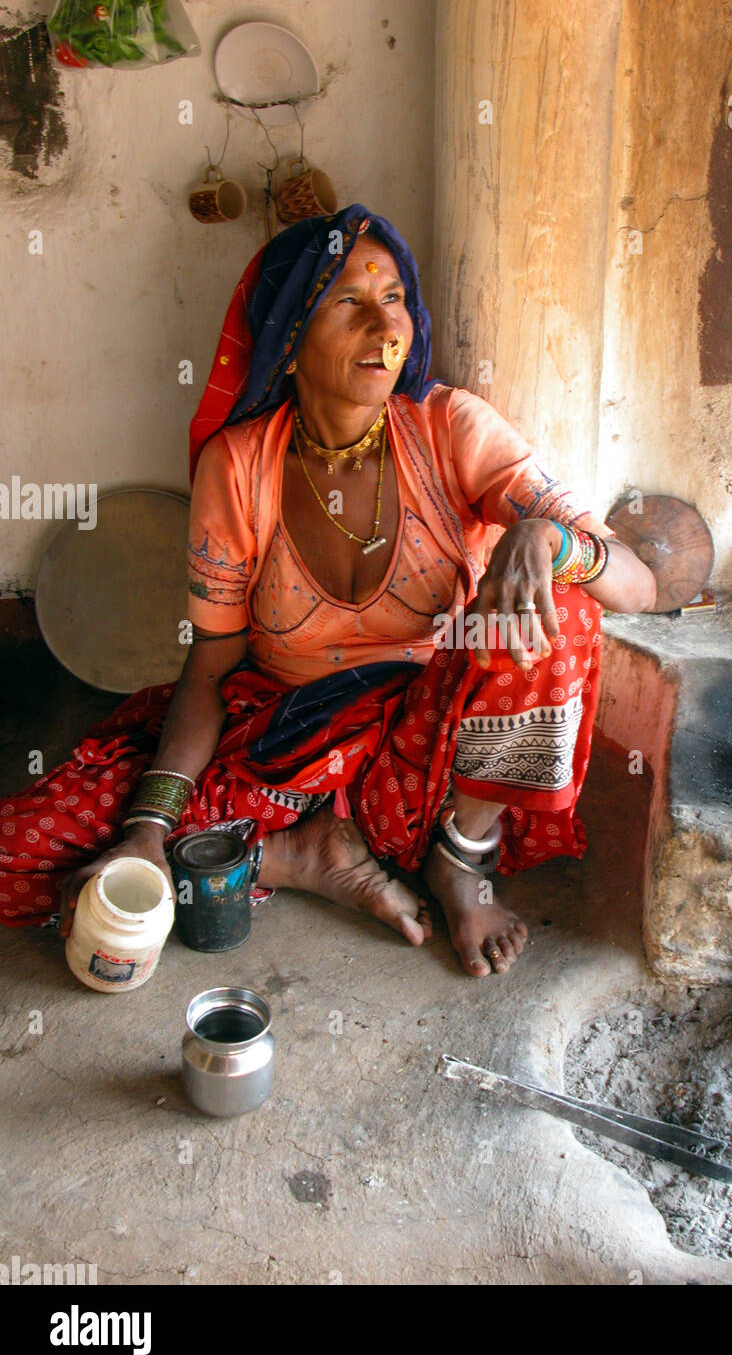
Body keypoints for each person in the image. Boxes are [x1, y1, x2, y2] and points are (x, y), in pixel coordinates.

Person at [0, 205, 656, 976]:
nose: (385, 327)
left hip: (430, 762)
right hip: (284, 746)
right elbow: (210, 669)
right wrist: (149, 824)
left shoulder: (450, 430)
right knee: (27, 855)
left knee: (563, 605)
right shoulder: (239, 465)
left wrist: (549, 541)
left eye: (395, 299)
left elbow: (635, 585)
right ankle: (295, 855)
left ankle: (458, 861)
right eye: (348, 301)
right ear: (287, 335)